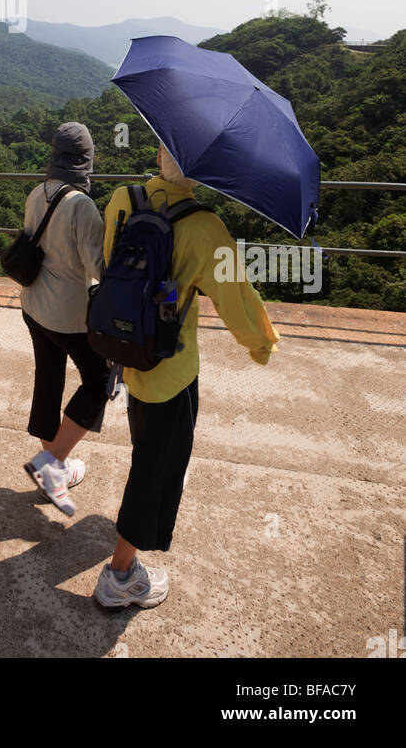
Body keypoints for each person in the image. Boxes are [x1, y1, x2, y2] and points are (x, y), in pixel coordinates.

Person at [92, 143, 280, 612]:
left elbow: (110, 263)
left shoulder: (122, 199)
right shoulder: (205, 228)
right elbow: (236, 298)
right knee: (154, 471)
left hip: (126, 353)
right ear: (201, 175)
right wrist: (262, 345)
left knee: (145, 452)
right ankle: (120, 576)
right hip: (171, 370)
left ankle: (126, 557)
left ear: (158, 157)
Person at [20, 122, 109, 517]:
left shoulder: (36, 193)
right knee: (99, 380)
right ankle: (52, 465)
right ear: (86, 160)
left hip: (32, 306)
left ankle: (56, 464)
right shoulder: (82, 205)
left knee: (49, 377)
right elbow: (97, 268)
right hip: (66, 314)